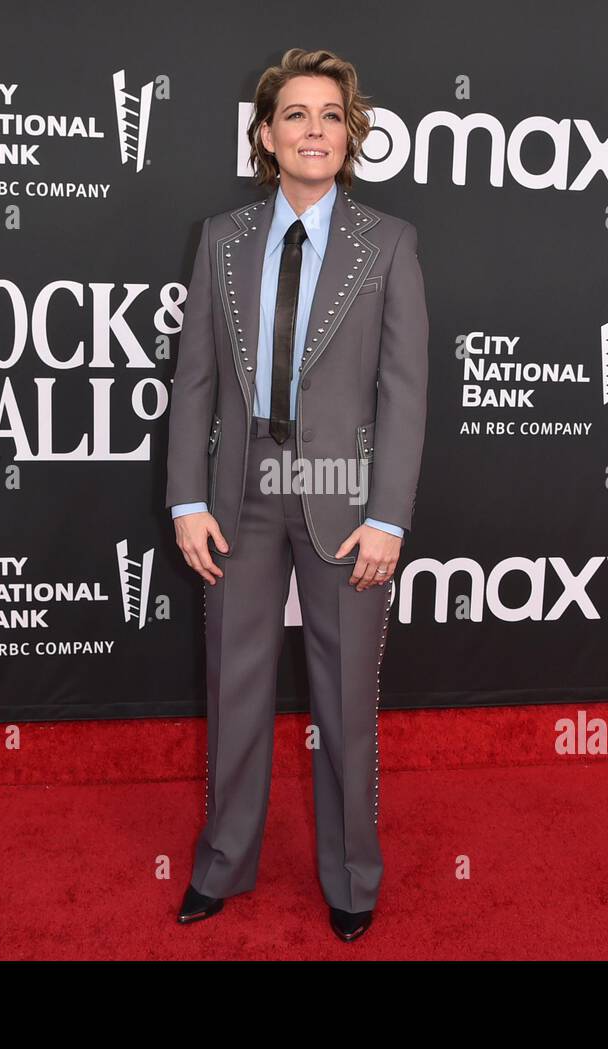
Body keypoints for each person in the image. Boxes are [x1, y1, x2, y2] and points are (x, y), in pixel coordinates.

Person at [165, 47, 428, 942]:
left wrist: (389, 514)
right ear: (265, 138)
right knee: (234, 689)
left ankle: (353, 877)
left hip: (343, 499)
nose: (313, 130)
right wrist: (185, 500)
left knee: (346, 700)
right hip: (238, 493)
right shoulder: (221, 239)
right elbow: (193, 380)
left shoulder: (388, 243)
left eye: (328, 116)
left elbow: (405, 389)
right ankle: (222, 865)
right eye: (295, 115)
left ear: (348, 137)